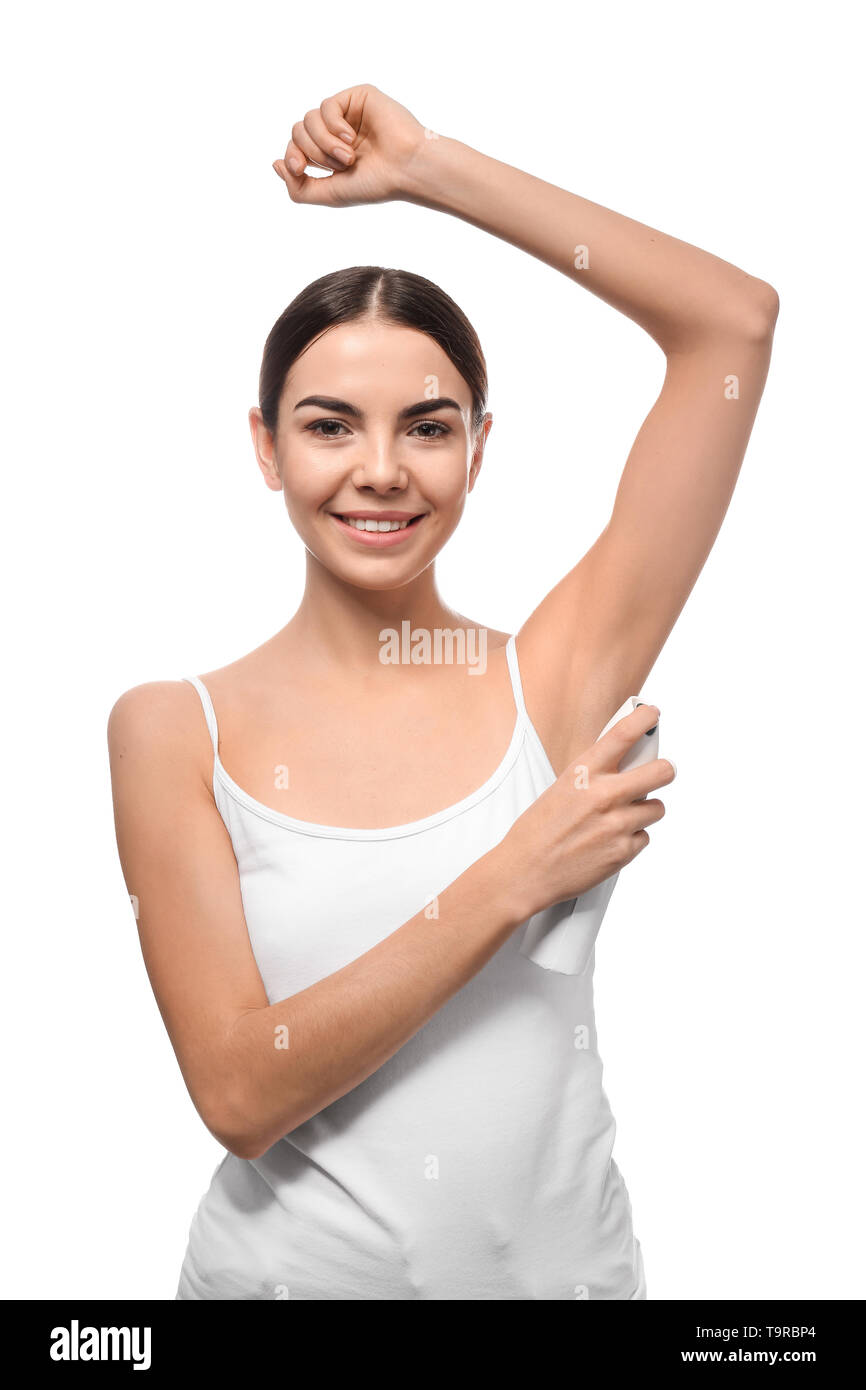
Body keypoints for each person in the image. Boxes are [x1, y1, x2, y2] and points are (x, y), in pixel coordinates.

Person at [107, 84, 777, 1300]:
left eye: (425, 427)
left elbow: (731, 323)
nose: (378, 470)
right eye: (328, 426)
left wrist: (426, 168)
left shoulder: (554, 681)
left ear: (477, 445)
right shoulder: (173, 727)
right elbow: (239, 1094)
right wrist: (507, 878)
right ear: (265, 447)